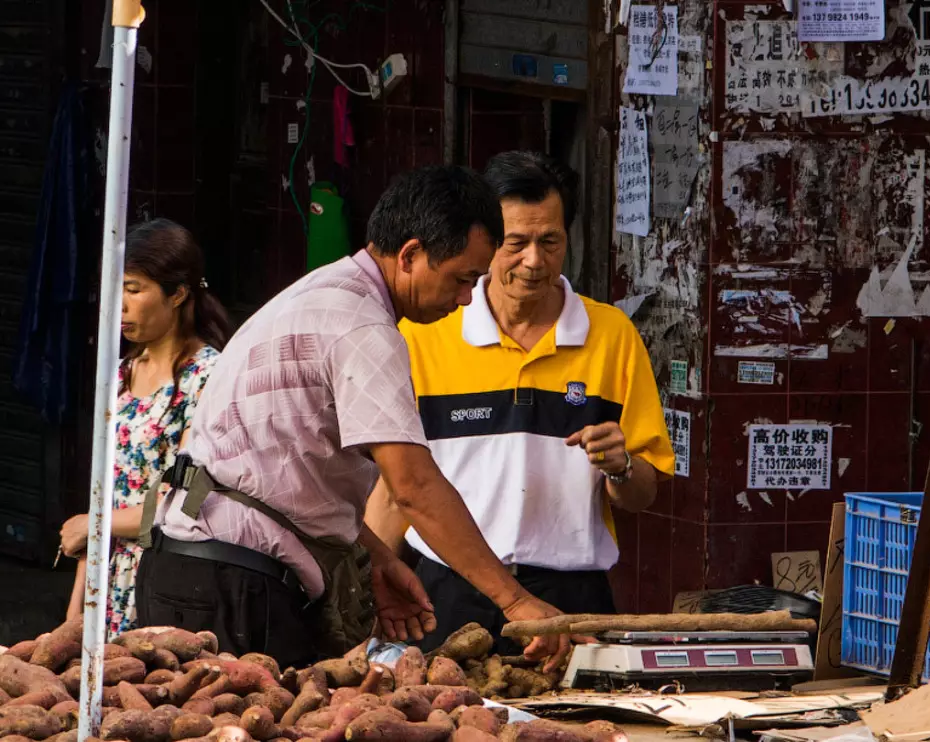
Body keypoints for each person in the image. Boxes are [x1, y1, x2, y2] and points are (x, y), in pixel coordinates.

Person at [136, 166, 571, 670]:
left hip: (186, 566)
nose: (466, 298)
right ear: (409, 255)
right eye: (462, 278)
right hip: (233, 584)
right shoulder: (365, 329)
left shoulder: (321, 293)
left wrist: (375, 558)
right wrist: (515, 602)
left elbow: (285, 472)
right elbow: (414, 488)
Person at [365, 152, 675, 654]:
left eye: (550, 242)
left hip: (571, 596)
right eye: (516, 244)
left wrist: (620, 467)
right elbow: (395, 488)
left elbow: (642, 494)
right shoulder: (425, 334)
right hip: (447, 590)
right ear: (483, 242)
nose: (535, 261)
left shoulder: (612, 336)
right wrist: (370, 597)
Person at [61, 218, 230, 636]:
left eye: (134, 290)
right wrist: (73, 615)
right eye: (116, 288)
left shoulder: (208, 379)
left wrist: (95, 523)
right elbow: (106, 490)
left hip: (166, 582)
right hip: (106, 582)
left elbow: (189, 500)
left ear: (178, 294)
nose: (120, 304)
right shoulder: (118, 375)